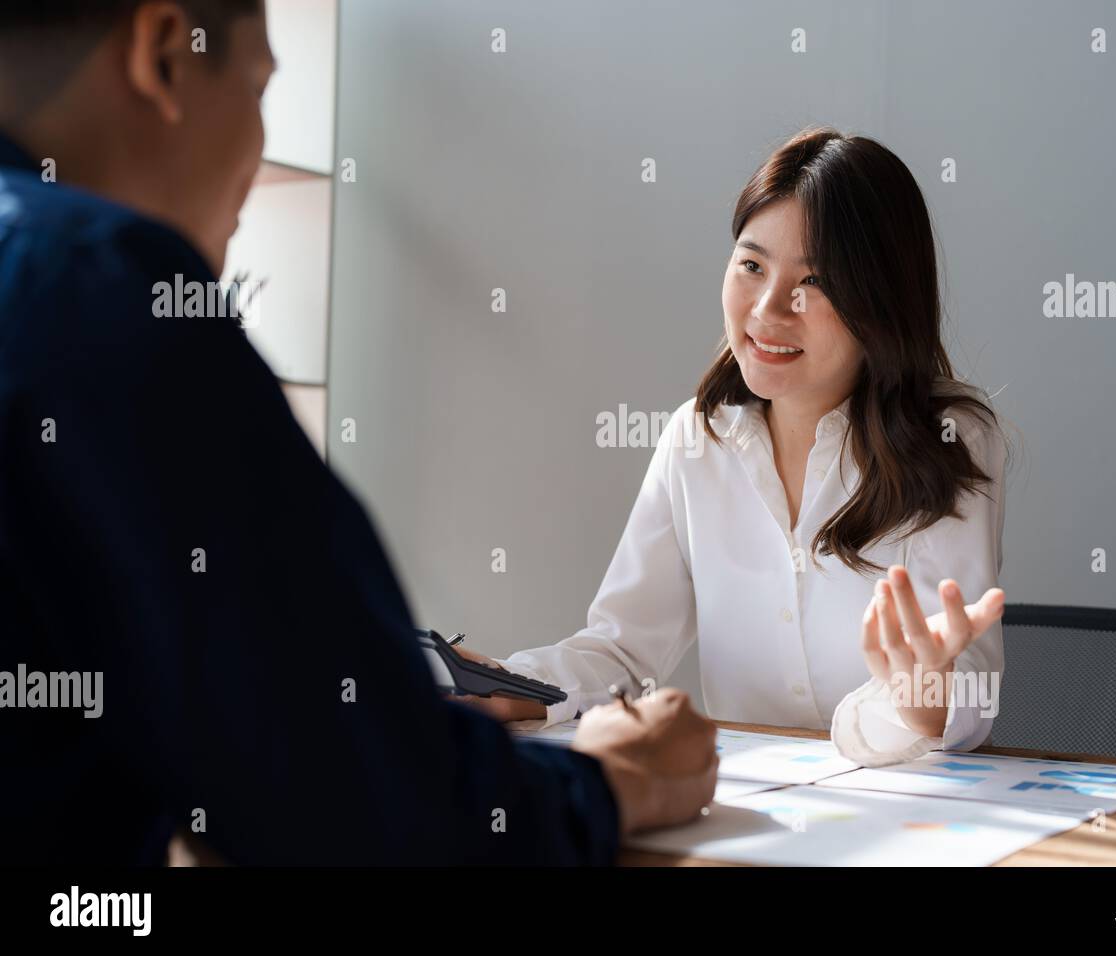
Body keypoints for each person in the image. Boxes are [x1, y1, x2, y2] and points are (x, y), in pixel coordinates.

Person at [0, 0, 716, 866]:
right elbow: (367, 816)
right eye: (260, 85)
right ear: (163, 54)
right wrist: (614, 780)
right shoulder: (111, 293)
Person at [454, 128, 1009, 768]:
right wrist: (511, 685)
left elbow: (965, 687)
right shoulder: (698, 437)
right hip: (751, 813)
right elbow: (622, 650)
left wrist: (923, 692)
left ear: (881, 301)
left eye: (817, 281)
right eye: (751, 265)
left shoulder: (950, 437)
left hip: (912, 817)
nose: (769, 308)